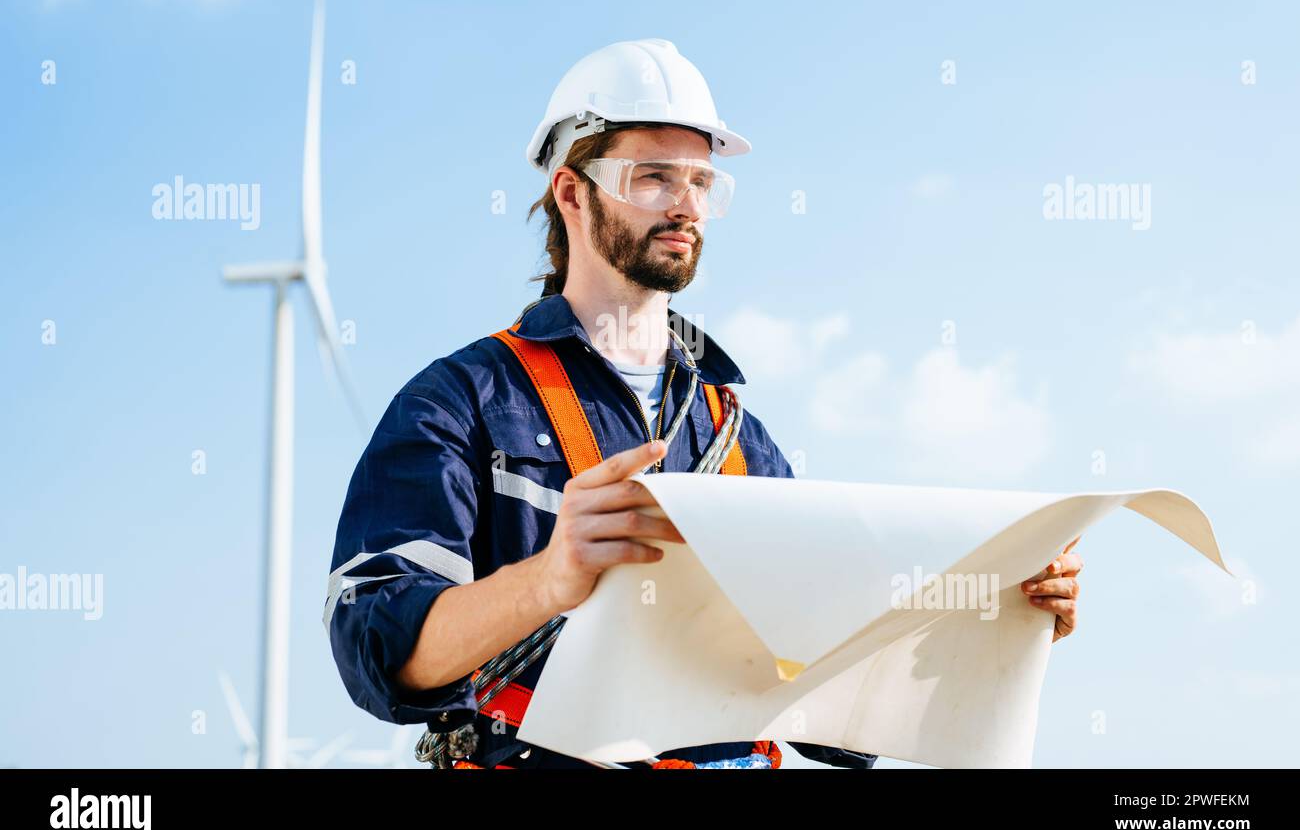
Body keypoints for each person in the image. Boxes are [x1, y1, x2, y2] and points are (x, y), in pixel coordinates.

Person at [324, 38, 1082, 769]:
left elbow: (831, 710)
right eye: (652, 177)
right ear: (571, 193)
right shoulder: (460, 402)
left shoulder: (741, 441)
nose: (685, 205)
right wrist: (548, 579)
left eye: (700, 182)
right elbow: (376, 649)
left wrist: (994, 626)